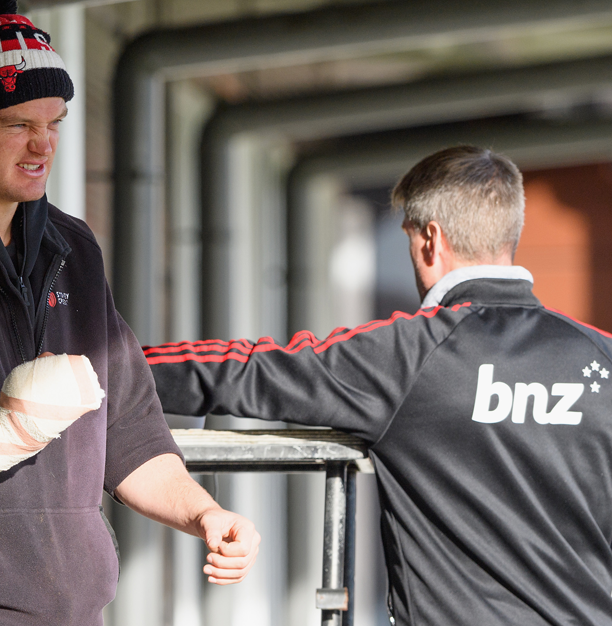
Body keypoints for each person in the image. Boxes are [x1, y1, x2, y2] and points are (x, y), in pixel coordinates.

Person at [0, 0, 259, 626]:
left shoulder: (72, 245)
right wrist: (6, 427)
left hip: (71, 611)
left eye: (54, 124)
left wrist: (204, 512)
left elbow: (131, 432)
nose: (43, 145)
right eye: (18, 124)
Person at [145, 145, 612, 625]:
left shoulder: (411, 354)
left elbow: (243, 368)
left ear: (430, 239)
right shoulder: (603, 358)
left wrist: (104, 365)